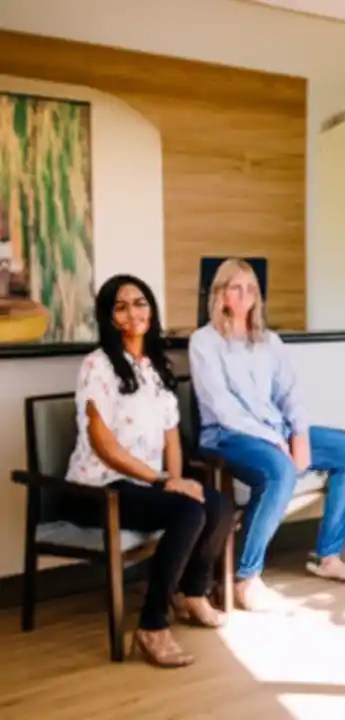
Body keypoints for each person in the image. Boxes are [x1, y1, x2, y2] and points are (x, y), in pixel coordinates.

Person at [65, 274, 234, 667]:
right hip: (98, 489)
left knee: (219, 505)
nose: (133, 313)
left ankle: (193, 593)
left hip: (143, 484)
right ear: (109, 317)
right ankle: (152, 625)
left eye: (140, 303)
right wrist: (163, 481)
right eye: (121, 307)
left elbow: (171, 437)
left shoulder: (155, 367)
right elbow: (103, 445)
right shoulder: (97, 365)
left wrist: (176, 480)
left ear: (152, 310)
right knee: (188, 511)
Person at [190, 258, 345, 613]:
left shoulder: (269, 341)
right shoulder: (204, 342)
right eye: (236, 287)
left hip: (275, 431)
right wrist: (276, 441)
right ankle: (245, 578)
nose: (245, 295)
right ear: (220, 294)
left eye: (251, 288)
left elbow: (291, 393)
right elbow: (223, 409)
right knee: (280, 470)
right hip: (227, 435)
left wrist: (298, 434)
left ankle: (328, 557)